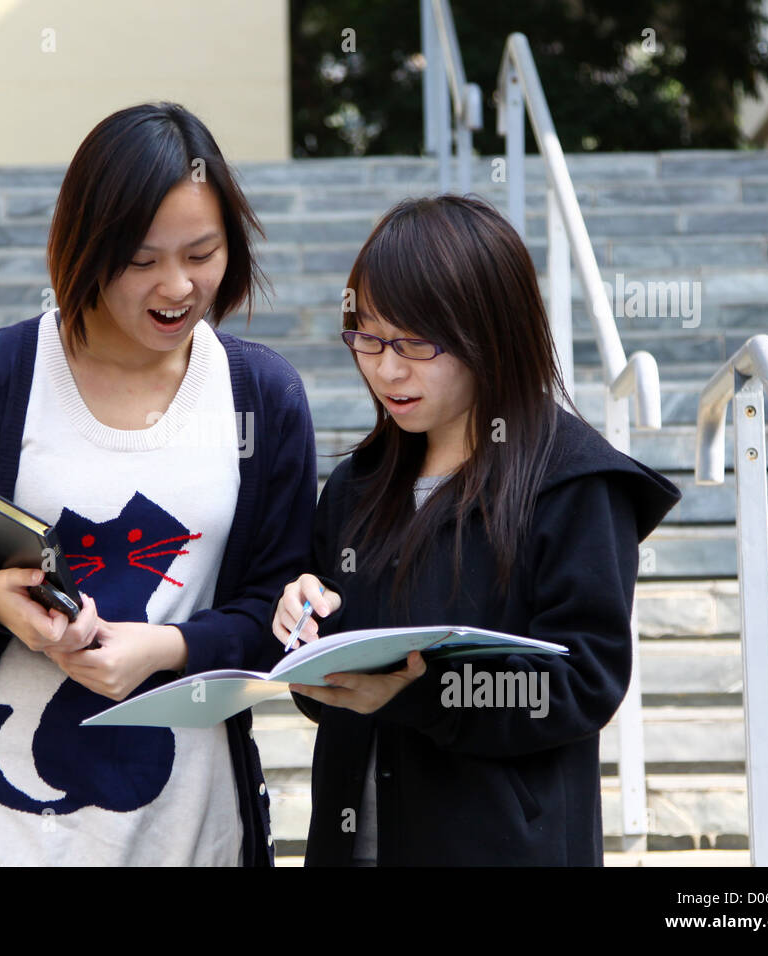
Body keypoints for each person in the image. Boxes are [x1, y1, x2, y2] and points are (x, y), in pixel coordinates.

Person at [0, 102, 316, 866]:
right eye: (141, 261)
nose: (177, 286)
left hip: (190, 829)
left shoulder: (262, 397)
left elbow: (275, 613)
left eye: (202, 253)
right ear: (85, 246)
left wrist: (167, 647)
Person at [272, 195, 681, 866]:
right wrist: (305, 630)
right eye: (368, 338)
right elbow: (323, 699)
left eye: (415, 344)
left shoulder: (572, 484)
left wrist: (418, 691)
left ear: (490, 333)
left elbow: (582, 684)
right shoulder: (358, 484)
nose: (387, 368)